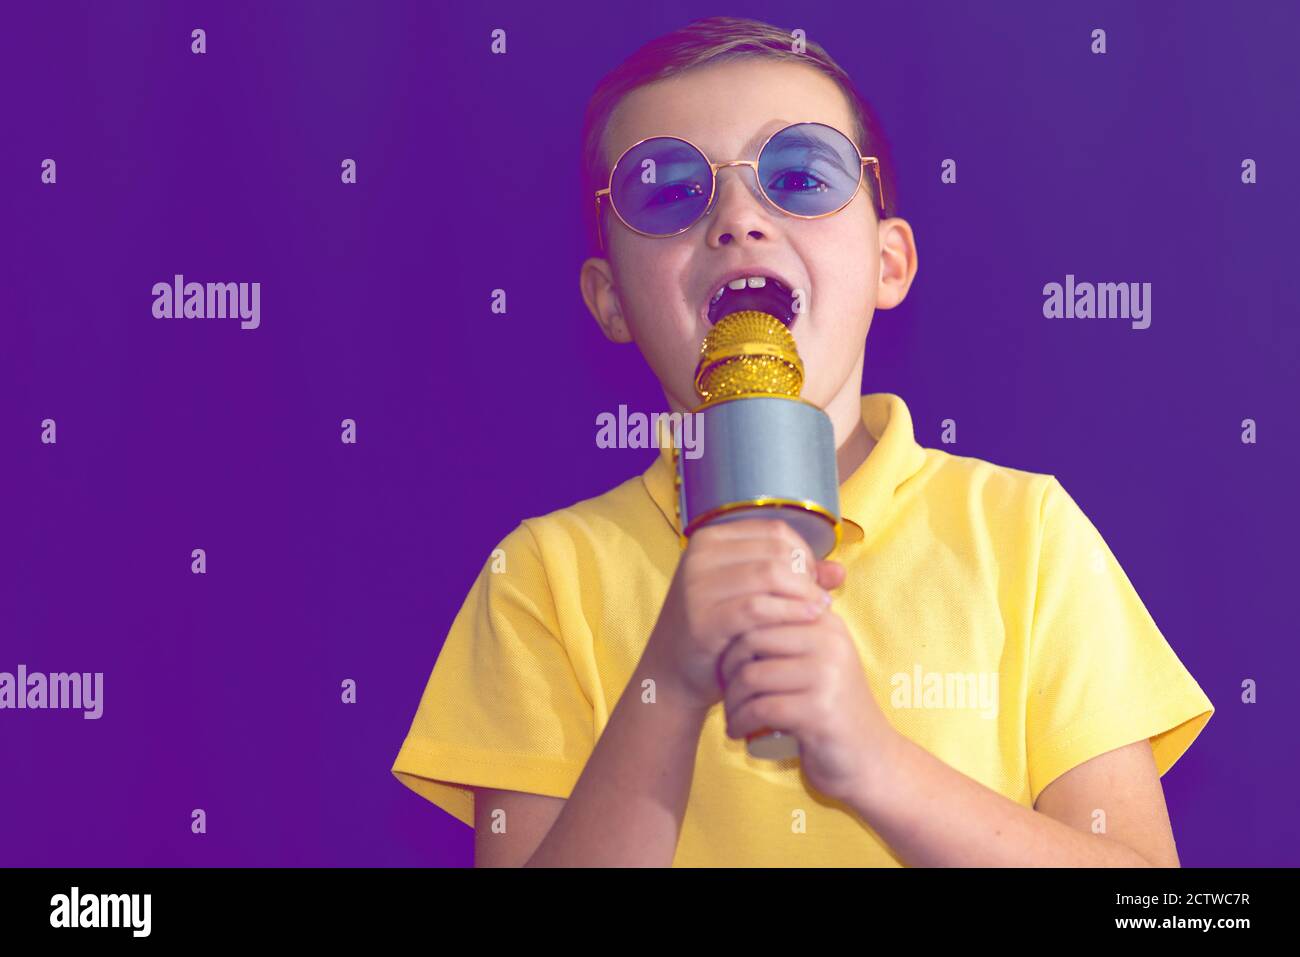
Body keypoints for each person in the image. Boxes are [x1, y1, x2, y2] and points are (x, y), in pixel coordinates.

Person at [391, 16, 1213, 867]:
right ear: (609, 300)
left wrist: (880, 765)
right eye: (668, 189)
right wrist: (666, 683)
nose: (740, 218)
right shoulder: (542, 575)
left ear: (889, 262)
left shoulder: (1027, 533)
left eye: (800, 175)